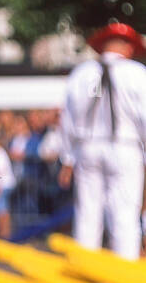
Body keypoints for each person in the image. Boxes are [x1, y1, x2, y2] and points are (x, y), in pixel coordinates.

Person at [58, 22, 146, 259]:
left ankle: (85, 269)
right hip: (125, 147)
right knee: (125, 213)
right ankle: (123, 270)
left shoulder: (82, 73)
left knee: (88, 212)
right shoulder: (137, 73)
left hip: (88, 147)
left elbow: (67, 119)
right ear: (128, 48)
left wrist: (68, 158)